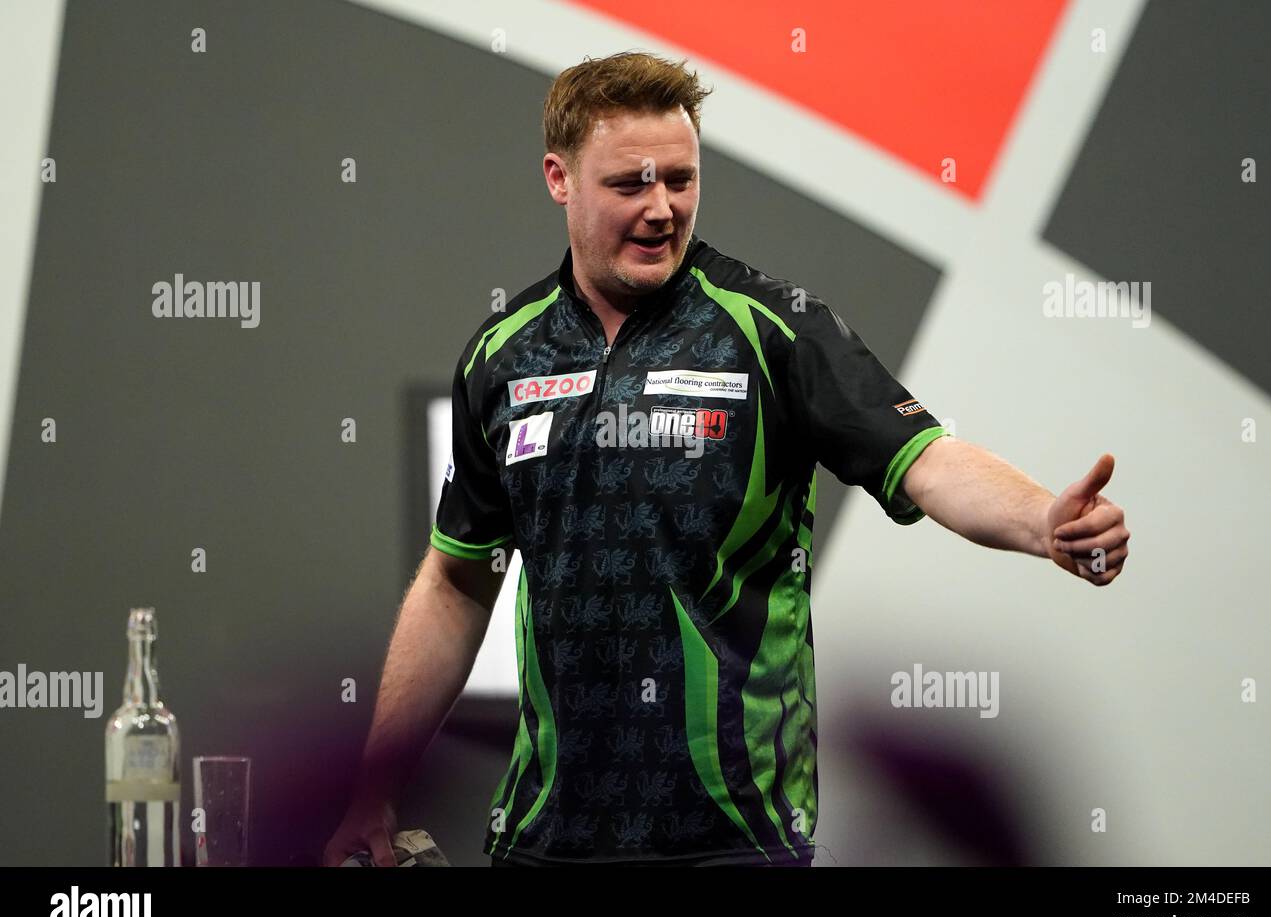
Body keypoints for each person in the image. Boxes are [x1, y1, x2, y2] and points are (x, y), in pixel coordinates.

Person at [324, 51, 1130, 868]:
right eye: (630, 185)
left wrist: (1042, 521)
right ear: (558, 179)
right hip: (544, 837)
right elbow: (457, 581)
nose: (662, 210)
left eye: (681, 179)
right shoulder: (503, 354)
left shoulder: (777, 328)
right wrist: (374, 787)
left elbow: (927, 459)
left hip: (736, 842)